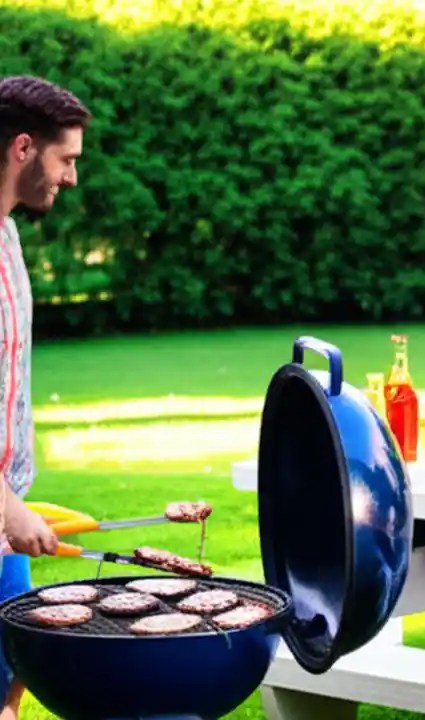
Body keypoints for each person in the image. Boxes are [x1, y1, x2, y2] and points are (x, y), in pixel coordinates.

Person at [0, 75, 89, 720]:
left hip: (4, 521)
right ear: (24, 148)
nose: (72, 177)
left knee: (11, 683)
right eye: (68, 160)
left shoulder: (7, 237)